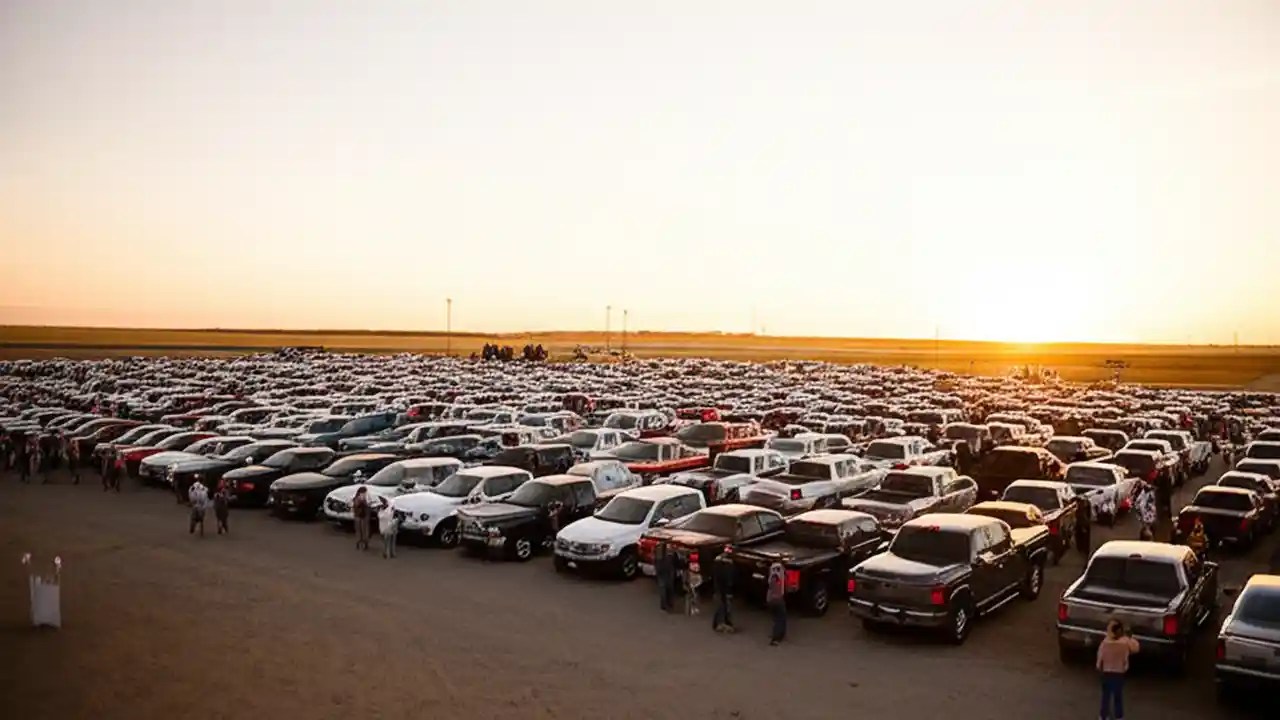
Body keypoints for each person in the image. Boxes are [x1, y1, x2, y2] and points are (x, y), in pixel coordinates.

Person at [1097, 619, 1140, 720]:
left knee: (1105, 697)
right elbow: (1136, 648)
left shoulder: (1105, 643)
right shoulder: (1125, 642)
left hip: (1106, 672)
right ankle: (1119, 716)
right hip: (1119, 672)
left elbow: (1100, 658)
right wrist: (1130, 637)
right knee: (1118, 696)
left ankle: (1103, 715)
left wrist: (1099, 667)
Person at [711, 548, 736, 633]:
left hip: (718, 588)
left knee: (721, 606)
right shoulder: (728, 564)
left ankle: (718, 623)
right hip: (723, 589)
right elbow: (729, 578)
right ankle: (723, 623)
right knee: (723, 606)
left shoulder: (718, 562)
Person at [766, 562, 787, 646]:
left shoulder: (771, 577)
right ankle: (777, 637)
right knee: (781, 618)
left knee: (776, 618)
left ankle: (777, 634)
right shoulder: (780, 576)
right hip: (778, 599)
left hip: (770, 600)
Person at [655, 542, 676, 613]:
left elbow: (655, 560)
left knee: (663, 587)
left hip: (661, 568)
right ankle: (670, 604)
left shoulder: (658, 548)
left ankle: (664, 605)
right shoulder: (670, 550)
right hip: (668, 569)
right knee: (669, 587)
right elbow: (675, 560)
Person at [352, 486, 372, 551]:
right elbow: (356, 506)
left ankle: (363, 543)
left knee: (362, 530)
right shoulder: (357, 498)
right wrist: (363, 501)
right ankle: (361, 543)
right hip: (361, 516)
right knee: (362, 530)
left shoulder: (364, 498)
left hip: (361, 516)